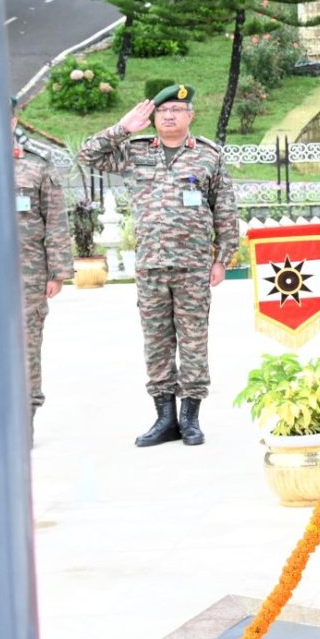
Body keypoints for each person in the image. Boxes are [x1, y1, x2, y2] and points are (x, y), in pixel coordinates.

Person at [80, 84, 238, 447]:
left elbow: (225, 211)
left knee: (194, 341)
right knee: (156, 343)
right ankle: (164, 417)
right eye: (162, 110)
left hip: (193, 267)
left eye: (177, 110)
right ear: (152, 116)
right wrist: (122, 128)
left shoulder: (208, 156)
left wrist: (222, 258)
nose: (169, 116)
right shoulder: (135, 153)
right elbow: (88, 156)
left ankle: (191, 418)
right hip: (151, 267)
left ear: (190, 116)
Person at [14, 98, 73, 435]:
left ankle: (26, 418)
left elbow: (55, 220)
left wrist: (57, 271)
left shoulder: (36, 165)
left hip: (29, 274)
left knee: (27, 344)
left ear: (12, 121)